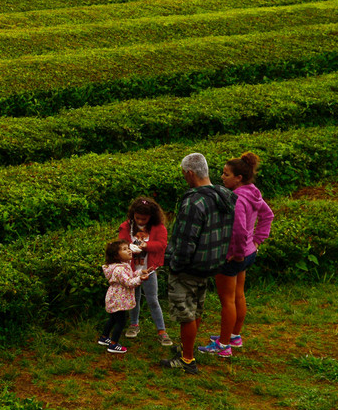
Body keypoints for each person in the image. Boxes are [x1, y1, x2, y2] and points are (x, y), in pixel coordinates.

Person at [161, 152, 236, 374]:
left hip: (189, 267)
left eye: (184, 174)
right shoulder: (224, 195)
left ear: (190, 173)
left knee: (186, 314)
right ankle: (188, 348)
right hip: (209, 264)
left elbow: (186, 240)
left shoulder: (194, 202)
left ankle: (187, 360)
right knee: (196, 309)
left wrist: (175, 264)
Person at [200, 151, 274, 357]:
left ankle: (223, 346)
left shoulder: (238, 199)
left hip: (233, 256)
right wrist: (256, 241)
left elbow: (239, 231)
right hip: (249, 253)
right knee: (238, 295)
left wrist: (239, 252)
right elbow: (268, 215)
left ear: (239, 178)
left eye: (226, 174)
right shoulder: (253, 192)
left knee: (227, 300)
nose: (222, 177)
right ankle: (234, 336)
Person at [120, 196, 171, 346]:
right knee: (134, 299)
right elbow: (121, 243)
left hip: (148, 270)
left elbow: (162, 244)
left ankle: (162, 331)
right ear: (133, 215)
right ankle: (134, 324)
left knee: (152, 299)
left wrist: (146, 246)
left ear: (151, 216)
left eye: (144, 219)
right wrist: (129, 247)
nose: (140, 221)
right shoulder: (126, 226)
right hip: (131, 270)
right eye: (138, 218)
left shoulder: (158, 227)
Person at [99, 239, 150, 354]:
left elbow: (130, 276)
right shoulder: (119, 269)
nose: (129, 251)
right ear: (116, 256)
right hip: (118, 299)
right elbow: (129, 283)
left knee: (113, 319)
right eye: (124, 249)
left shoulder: (122, 266)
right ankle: (113, 344)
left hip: (115, 298)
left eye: (128, 248)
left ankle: (104, 337)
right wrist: (140, 279)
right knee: (121, 322)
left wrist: (140, 272)